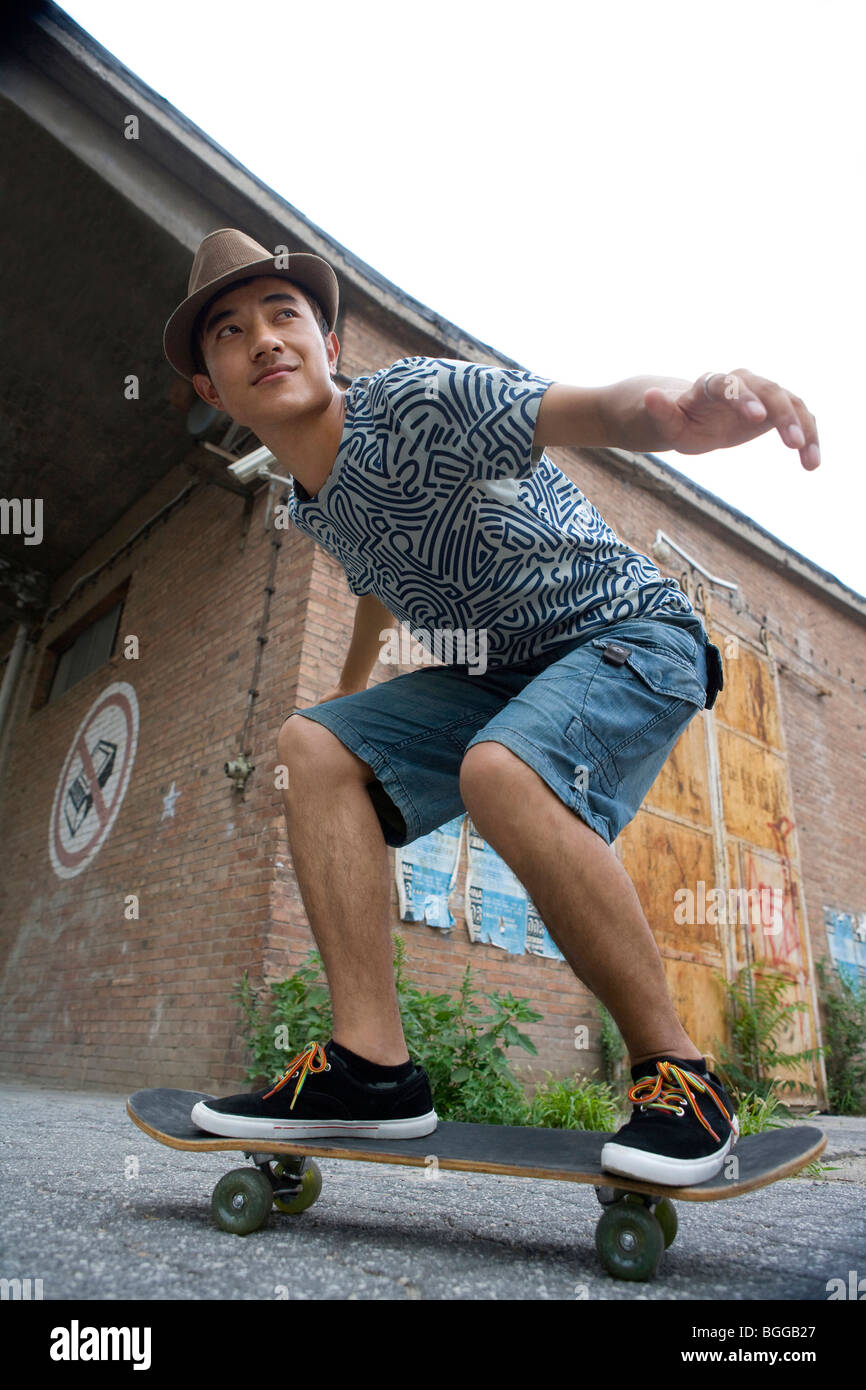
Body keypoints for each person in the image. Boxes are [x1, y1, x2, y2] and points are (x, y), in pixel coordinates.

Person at [162, 229, 820, 1185]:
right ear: (213, 389)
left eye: (283, 314)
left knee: (500, 771)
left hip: (630, 634)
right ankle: (373, 1071)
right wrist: (345, 708)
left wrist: (681, 414)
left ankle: (680, 1078)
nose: (263, 337)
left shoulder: (420, 401)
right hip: (503, 673)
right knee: (309, 746)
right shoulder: (310, 500)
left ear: (329, 347)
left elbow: (594, 409)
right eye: (230, 331)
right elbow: (379, 573)